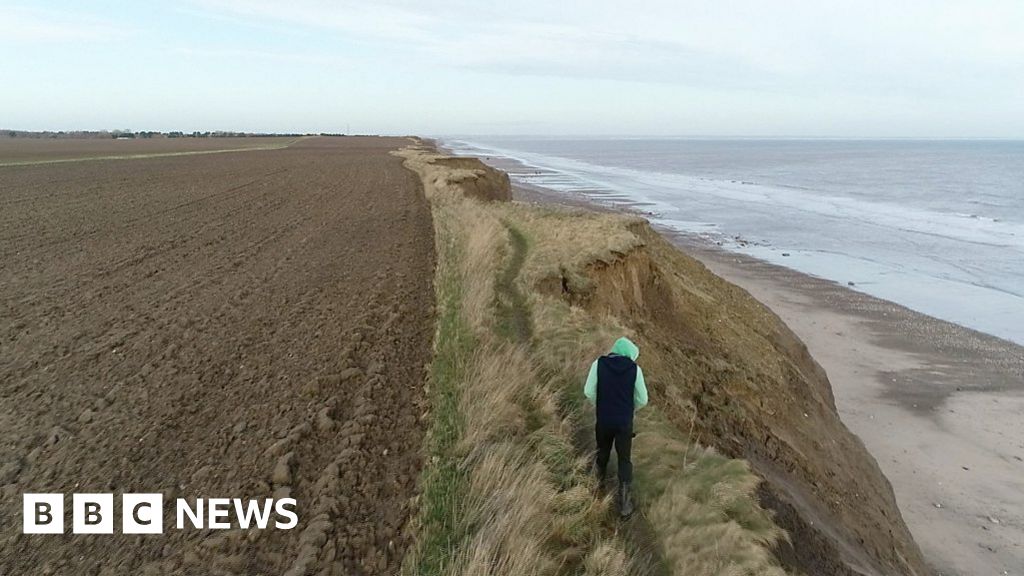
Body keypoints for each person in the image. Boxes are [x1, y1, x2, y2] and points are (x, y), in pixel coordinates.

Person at [583, 336, 648, 517]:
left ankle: (598, 487)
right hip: (624, 422)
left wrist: (601, 403)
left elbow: (588, 391)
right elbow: (643, 399)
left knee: (602, 451)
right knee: (624, 459)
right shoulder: (635, 370)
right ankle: (625, 503)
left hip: (603, 419)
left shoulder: (599, 364)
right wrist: (630, 407)